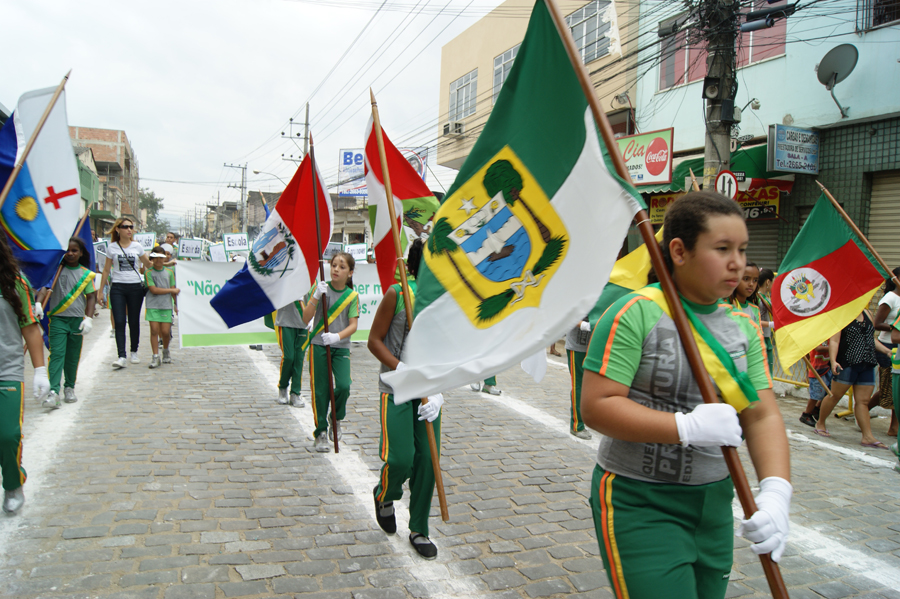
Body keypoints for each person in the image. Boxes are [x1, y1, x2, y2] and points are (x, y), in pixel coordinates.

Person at [580, 192, 791, 599]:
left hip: (714, 502)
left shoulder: (743, 327)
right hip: (638, 499)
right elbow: (597, 405)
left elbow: (762, 415)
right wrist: (684, 427)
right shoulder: (634, 312)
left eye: (743, 250)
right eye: (722, 248)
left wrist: (777, 492)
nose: (738, 263)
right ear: (679, 250)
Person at [368, 239, 443, 559]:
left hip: (428, 392)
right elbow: (374, 341)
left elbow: (450, 351)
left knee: (427, 461)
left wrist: (440, 392)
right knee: (401, 458)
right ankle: (385, 494)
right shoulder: (397, 295)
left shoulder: (445, 302)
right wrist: (402, 368)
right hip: (397, 387)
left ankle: (419, 527)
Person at [0, 234, 50, 513]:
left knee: (7, 436)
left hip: (5, 369)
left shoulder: (13, 281)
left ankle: (12, 483)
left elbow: (30, 328)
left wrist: (40, 371)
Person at [302, 252, 359, 452]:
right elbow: (305, 318)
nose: (336, 269)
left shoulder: (352, 296)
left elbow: (353, 325)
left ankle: (335, 417)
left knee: (344, 385)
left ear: (350, 273)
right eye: (334, 265)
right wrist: (316, 297)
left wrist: (337, 336)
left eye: (342, 267)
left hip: (340, 346)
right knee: (321, 390)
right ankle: (321, 432)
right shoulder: (321, 289)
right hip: (318, 344)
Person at [814, 309, 891, 447]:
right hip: (847, 362)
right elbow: (834, 341)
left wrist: (886, 351)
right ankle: (820, 422)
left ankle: (867, 436)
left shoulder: (867, 313)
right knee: (835, 396)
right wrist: (833, 361)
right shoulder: (841, 314)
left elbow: (871, 338)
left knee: (863, 401)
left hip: (867, 362)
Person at [35, 237, 97, 408]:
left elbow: (91, 296)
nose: (70, 253)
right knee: (57, 355)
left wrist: (89, 318)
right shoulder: (55, 271)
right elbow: (44, 288)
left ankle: (69, 387)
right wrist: (38, 303)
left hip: (77, 321)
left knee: (72, 357)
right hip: (57, 320)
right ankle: (54, 391)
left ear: (81, 253)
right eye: (67, 250)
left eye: (74, 250)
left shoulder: (86, 273)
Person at [99, 217, 151, 369]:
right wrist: (101, 291)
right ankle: (121, 355)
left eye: (131, 227)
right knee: (119, 321)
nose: (129, 229)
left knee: (134, 321)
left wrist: (167, 263)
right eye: (125, 226)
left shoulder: (137, 247)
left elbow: (148, 264)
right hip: (118, 287)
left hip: (135, 287)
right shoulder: (112, 248)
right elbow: (107, 270)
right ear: (117, 229)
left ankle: (134, 351)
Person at [873, 268, 900, 437]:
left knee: (890, 387)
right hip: (888, 347)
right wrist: (896, 326)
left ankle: (863, 408)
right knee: (891, 387)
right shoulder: (890, 298)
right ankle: (893, 427)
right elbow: (877, 323)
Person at [144, 246, 180, 368]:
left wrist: (176, 304)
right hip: (152, 305)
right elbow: (153, 290)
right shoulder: (148, 273)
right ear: (152, 259)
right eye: (156, 257)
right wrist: (171, 290)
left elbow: (174, 291)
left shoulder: (169, 272)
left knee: (165, 332)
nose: (158, 260)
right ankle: (155, 356)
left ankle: (165, 350)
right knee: (154, 330)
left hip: (166, 305)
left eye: (161, 257)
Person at [274, 298, 308, 408]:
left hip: (304, 321)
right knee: (289, 357)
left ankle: (295, 392)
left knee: (299, 358)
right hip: (286, 319)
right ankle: (283, 387)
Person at [566, 317, 592, 440]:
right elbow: (567, 315)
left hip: (595, 346)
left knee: (594, 386)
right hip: (577, 346)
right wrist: (585, 325)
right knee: (579, 386)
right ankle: (577, 425)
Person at [800, 341, 830, 427]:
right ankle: (806, 414)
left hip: (827, 368)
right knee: (816, 395)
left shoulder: (831, 336)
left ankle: (817, 409)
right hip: (816, 370)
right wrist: (833, 347)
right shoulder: (818, 335)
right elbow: (818, 348)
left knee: (827, 391)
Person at [729, 261, 761, 328]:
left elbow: (758, 335)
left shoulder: (755, 309)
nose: (751, 284)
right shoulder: (726, 306)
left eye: (755, 280)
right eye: (746, 279)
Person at [756, 268, 776, 372]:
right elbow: (753, 320)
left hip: (766, 337)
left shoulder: (765, 297)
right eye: (773, 281)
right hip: (760, 338)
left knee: (769, 371)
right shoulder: (757, 298)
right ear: (768, 281)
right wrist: (771, 324)